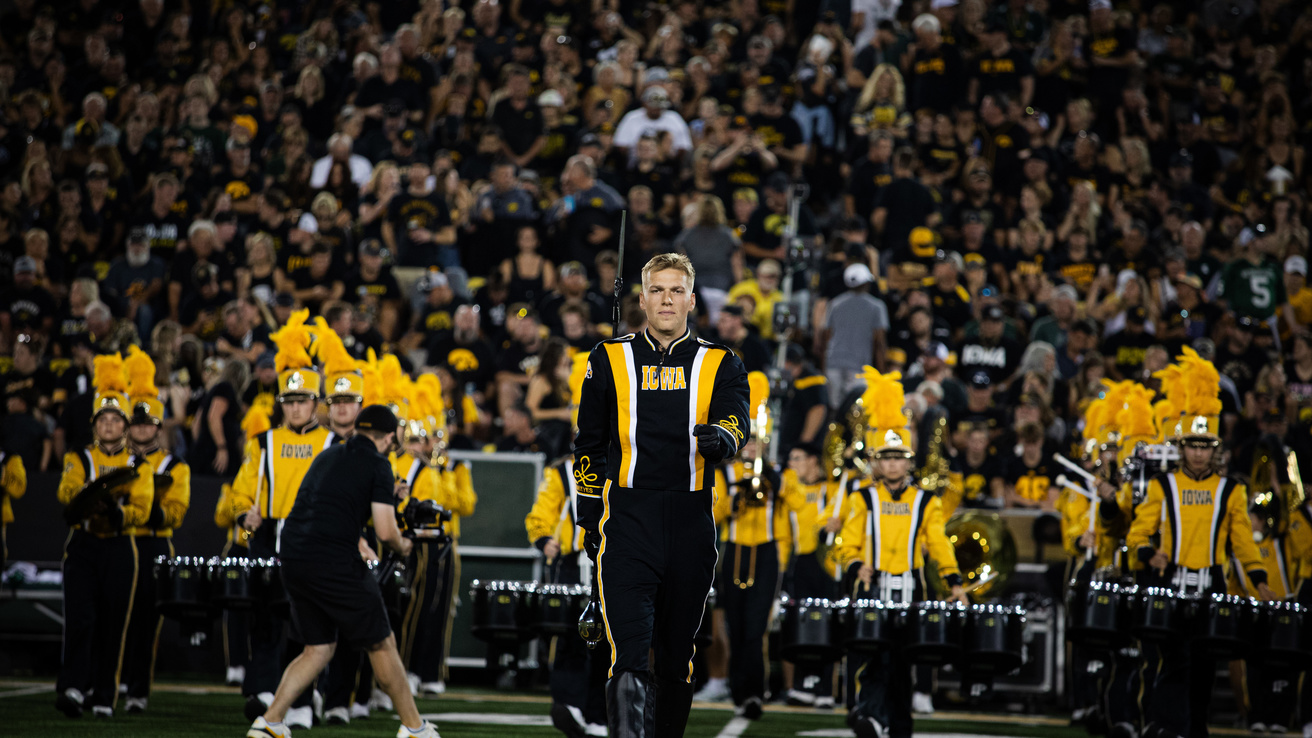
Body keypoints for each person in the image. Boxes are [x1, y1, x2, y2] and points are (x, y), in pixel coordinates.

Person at [574, 252, 749, 737]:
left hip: (692, 522)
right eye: (657, 290)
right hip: (626, 520)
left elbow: (738, 418)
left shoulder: (723, 362)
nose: (667, 299)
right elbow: (588, 443)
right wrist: (589, 514)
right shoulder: (607, 358)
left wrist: (724, 438)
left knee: (676, 658)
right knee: (628, 651)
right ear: (642, 300)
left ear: (692, 300)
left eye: (676, 290)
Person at [244, 404, 438, 738]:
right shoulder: (379, 465)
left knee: (317, 647)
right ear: (391, 437)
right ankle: (414, 727)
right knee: (382, 642)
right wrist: (403, 546)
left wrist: (383, 494)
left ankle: (270, 722)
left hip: (293, 556)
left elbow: (332, 500)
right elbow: (386, 532)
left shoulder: (329, 455)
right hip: (332, 560)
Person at [1126, 349, 1273, 738]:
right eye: (1192, 445)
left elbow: (1243, 542)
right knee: (1174, 662)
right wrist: (1147, 553)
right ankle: (1168, 728)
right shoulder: (1162, 485)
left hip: (1213, 586)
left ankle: (1193, 730)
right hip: (1171, 584)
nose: (1197, 452)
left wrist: (1259, 579)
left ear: (1215, 449)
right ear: (1181, 446)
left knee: (1205, 669)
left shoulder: (1231, 491)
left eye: (1205, 446)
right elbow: (1137, 533)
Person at [831, 367, 965, 738]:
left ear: (909, 461)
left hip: (911, 592)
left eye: (898, 457)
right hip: (873, 591)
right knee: (874, 659)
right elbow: (848, 541)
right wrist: (855, 564)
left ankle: (899, 726)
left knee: (903, 663)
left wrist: (953, 580)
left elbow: (938, 542)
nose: (892, 463)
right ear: (877, 460)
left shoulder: (926, 501)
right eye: (885, 457)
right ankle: (871, 716)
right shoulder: (862, 498)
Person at [231, 310, 333, 727]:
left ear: (315, 403)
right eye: (289, 401)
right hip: (269, 534)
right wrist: (243, 512)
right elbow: (241, 488)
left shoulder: (330, 443)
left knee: (306, 624)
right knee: (265, 616)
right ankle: (263, 692)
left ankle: (304, 703)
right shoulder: (264, 442)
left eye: (302, 401)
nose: (295, 408)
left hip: (312, 537)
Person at [54, 353, 155, 718]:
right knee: (80, 620)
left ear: (126, 426)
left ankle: (103, 697)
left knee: (114, 624)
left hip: (119, 547)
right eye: (103, 419)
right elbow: (66, 492)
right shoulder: (78, 458)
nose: (110, 425)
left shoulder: (137, 466)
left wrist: (118, 512)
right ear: (94, 424)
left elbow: (142, 508)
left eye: (116, 419)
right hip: (82, 546)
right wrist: (90, 501)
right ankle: (73, 688)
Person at [524, 352, 608, 738]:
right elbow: (541, 512)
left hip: (613, 561)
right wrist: (543, 538)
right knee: (573, 638)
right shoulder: (561, 470)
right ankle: (569, 705)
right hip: (575, 564)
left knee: (610, 642)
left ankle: (601, 714)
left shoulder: (623, 468)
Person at [710, 372, 790, 720]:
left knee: (756, 628)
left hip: (766, 553)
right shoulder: (726, 474)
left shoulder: (777, 473)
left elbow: (797, 501)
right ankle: (738, 691)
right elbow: (714, 513)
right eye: (748, 442)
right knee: (736, 626)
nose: (752, 448)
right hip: (734, 551)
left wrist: (772, 478)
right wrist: (735, 498)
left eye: (758, 441)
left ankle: (754, 692)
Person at [120, 346, 191, 714]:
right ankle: (101, 684)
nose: (142, 429)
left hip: (153, 545)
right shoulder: (116, 460)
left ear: (159, 428)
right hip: (118, 542)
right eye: (136, 423)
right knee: (109, 615)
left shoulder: (173, 465)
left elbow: (175, 512)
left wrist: (140, 512)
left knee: (146, 622)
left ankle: (137, 691)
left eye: (148, 424)